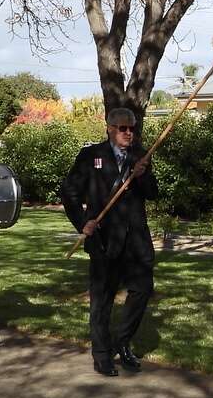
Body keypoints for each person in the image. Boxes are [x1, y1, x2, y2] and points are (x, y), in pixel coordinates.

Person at [58, 106, 158, 377]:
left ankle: (122, 342)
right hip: (104, 238)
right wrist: (83, 222)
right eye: (123, 128)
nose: (129, 133)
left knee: (143, 290)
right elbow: (69, 192)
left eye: (132, 128)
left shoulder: (140, 156)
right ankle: (102, 355)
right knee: (102, 300)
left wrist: (143, 175)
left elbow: (153, 193)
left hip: (136, 240)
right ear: (110, 129)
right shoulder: (91, 156)